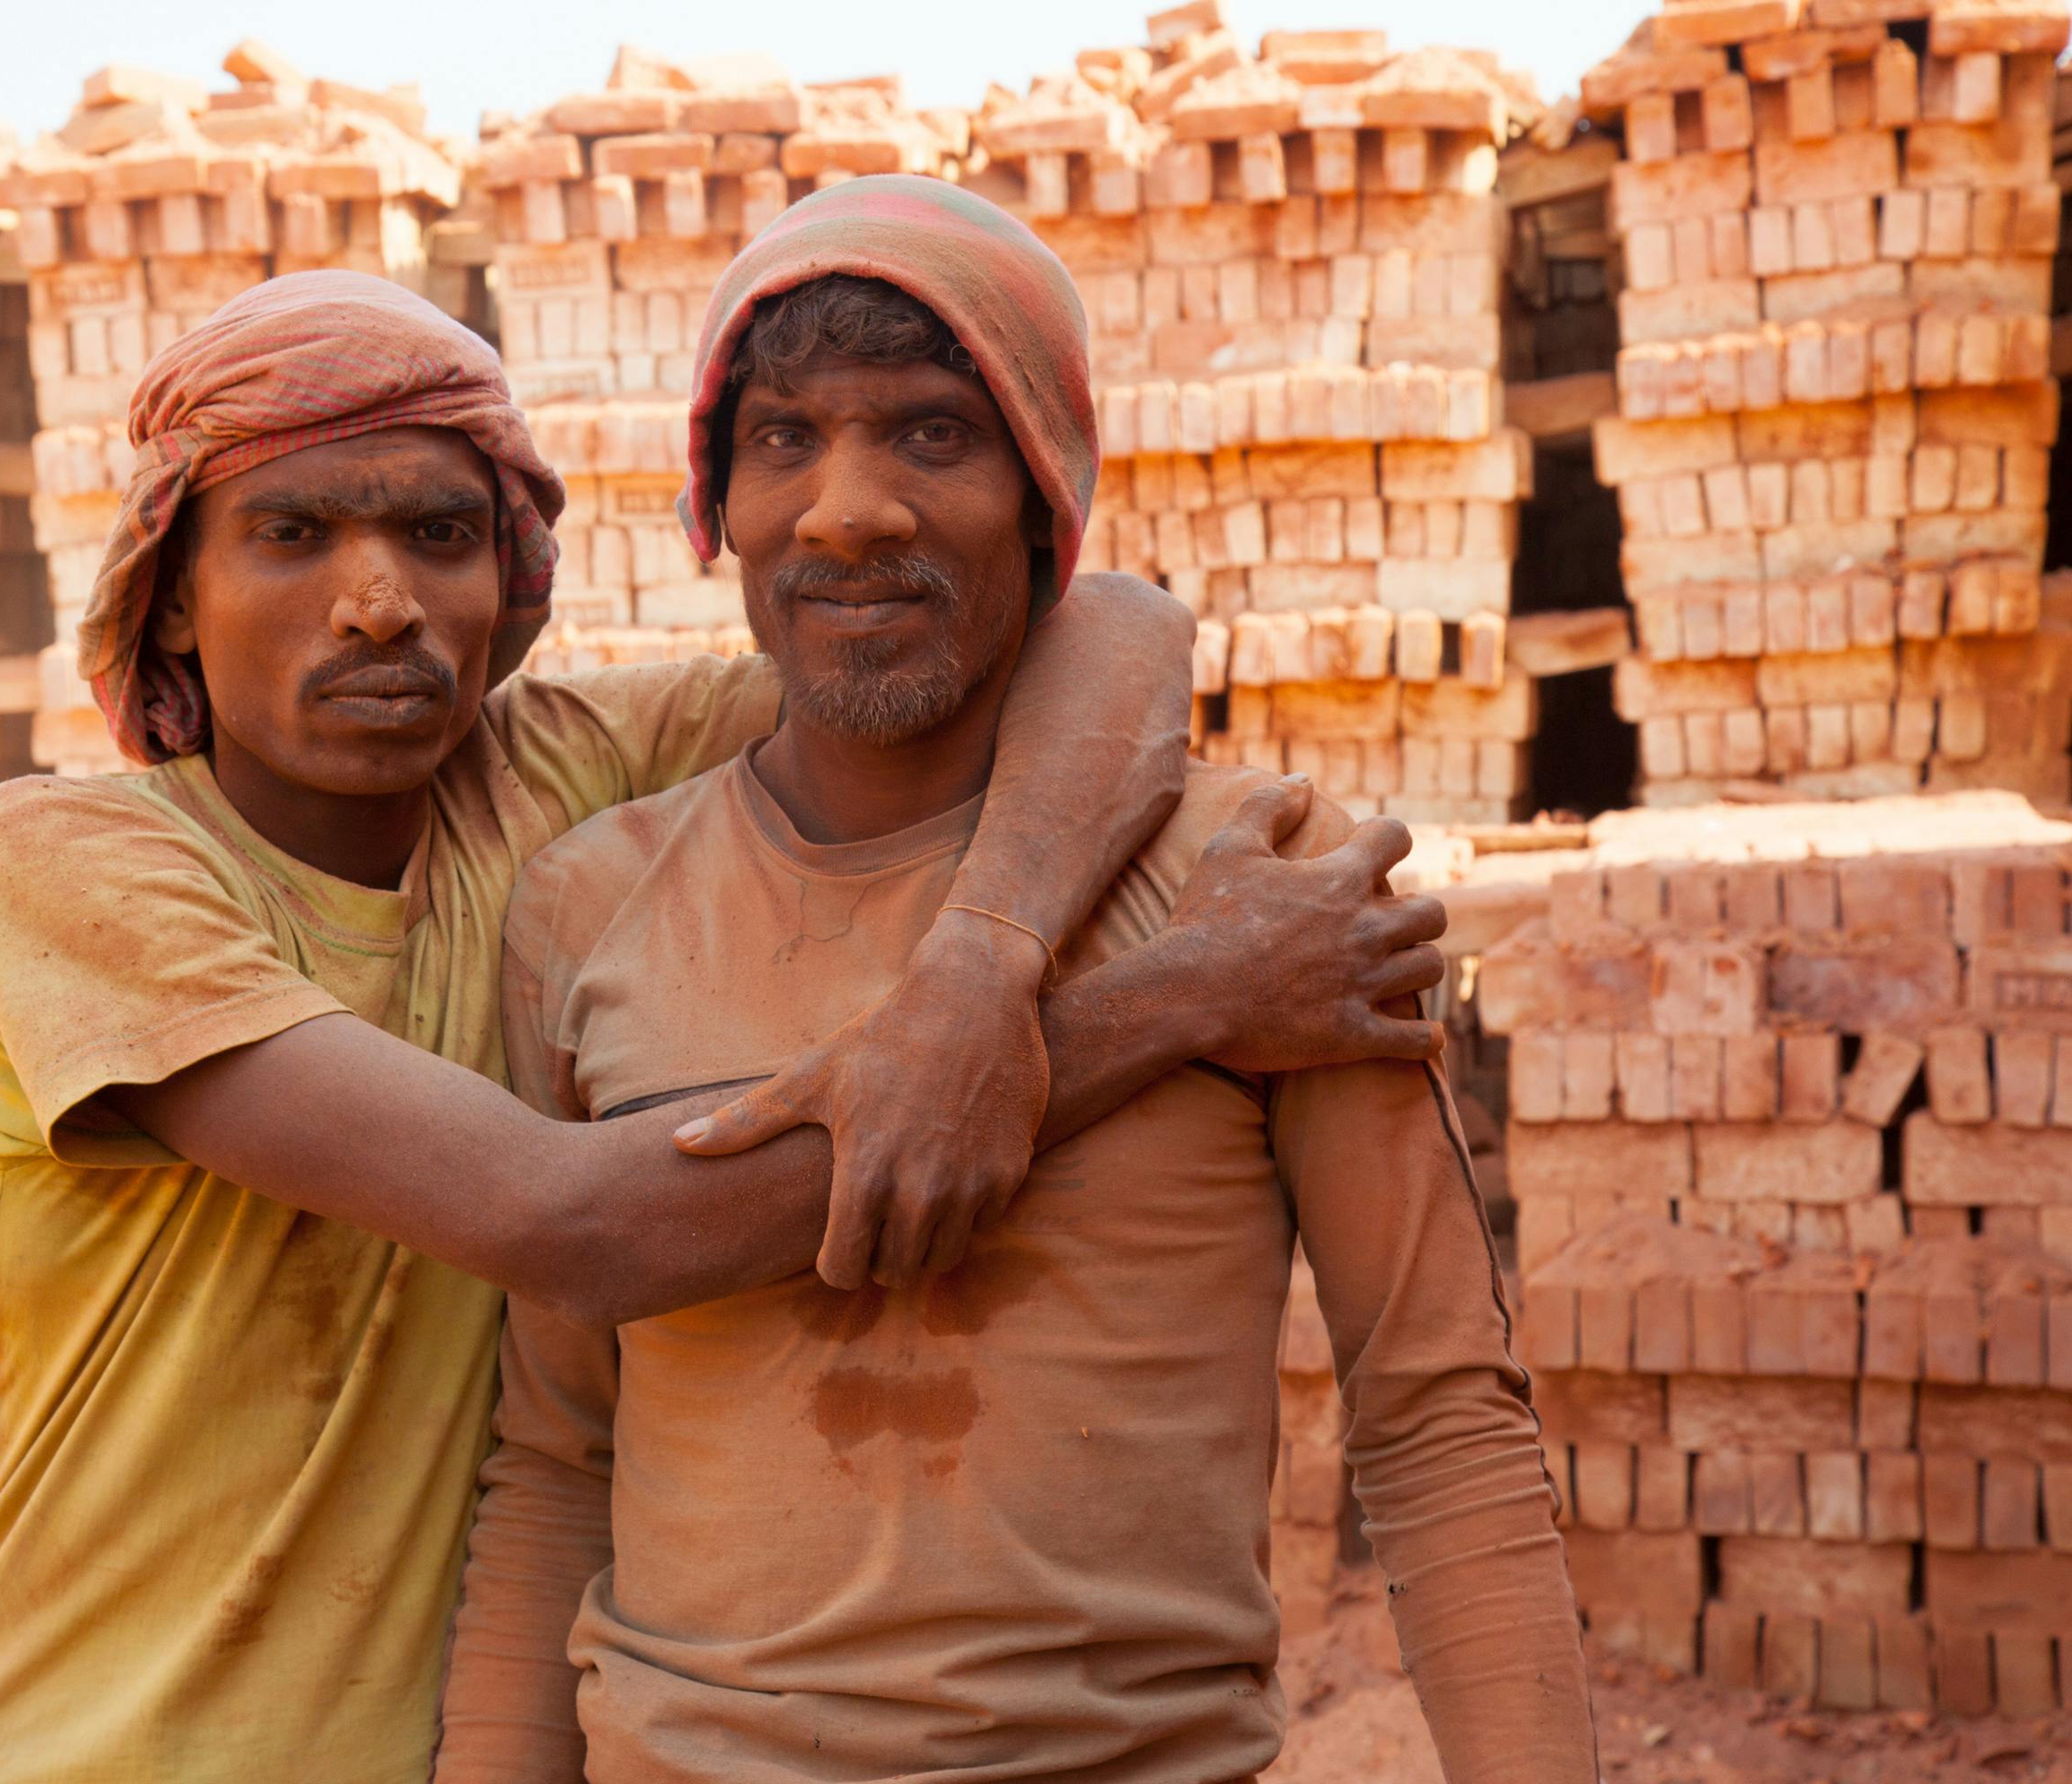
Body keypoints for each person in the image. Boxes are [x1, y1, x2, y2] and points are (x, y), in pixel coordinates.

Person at [0, 270, 1448, 1782]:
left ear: (507, 580)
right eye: (290, 535)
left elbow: (1096, 630)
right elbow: (574, 1227)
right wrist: (1175, 1003)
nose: (379, 606)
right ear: (170, 598)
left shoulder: (537, 782)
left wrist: (983, 968)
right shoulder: (60, 869)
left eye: (438, 535)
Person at [432, 179, 1597, 1784]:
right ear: (720, 507)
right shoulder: (588, 905)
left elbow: (1439, 1419)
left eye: (933, 434)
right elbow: (557, 1462)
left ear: (1045, 493)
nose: (848, 510)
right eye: (783, 440)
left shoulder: (1265, 886)